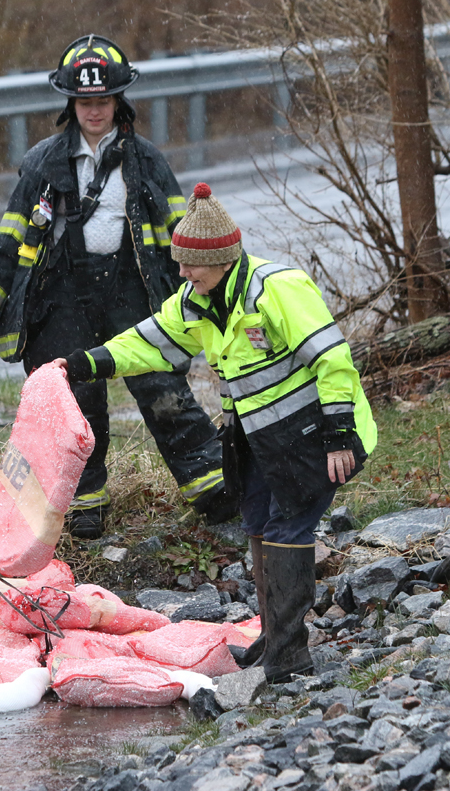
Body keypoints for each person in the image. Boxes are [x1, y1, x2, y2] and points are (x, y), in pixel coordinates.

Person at [55, 182, 377, 682]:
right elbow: (148, 341)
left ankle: (289, 660)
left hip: (314, 434)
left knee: (287, 528)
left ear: (222, 259)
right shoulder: (193, 299)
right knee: (256, 522)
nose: (180, 273)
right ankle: (272, 637)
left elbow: (333, 359)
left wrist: (338, 435)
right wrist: (86, 363)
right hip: (254, 440)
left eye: (189, 264)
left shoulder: (277, 289)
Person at [0, 34, 228, 540]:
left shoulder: (146, 160)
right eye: (85, 102)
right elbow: (12, 232)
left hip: (132, 286)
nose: (94, 111)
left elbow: (180, 228)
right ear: (72, 104)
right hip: (62, 292)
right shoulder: (44, 162)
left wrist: (204, 284)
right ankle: (86, 503)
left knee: (160, 386)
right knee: (76, 397)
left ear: (118, 101)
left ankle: (213, 488)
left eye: (103, 101)